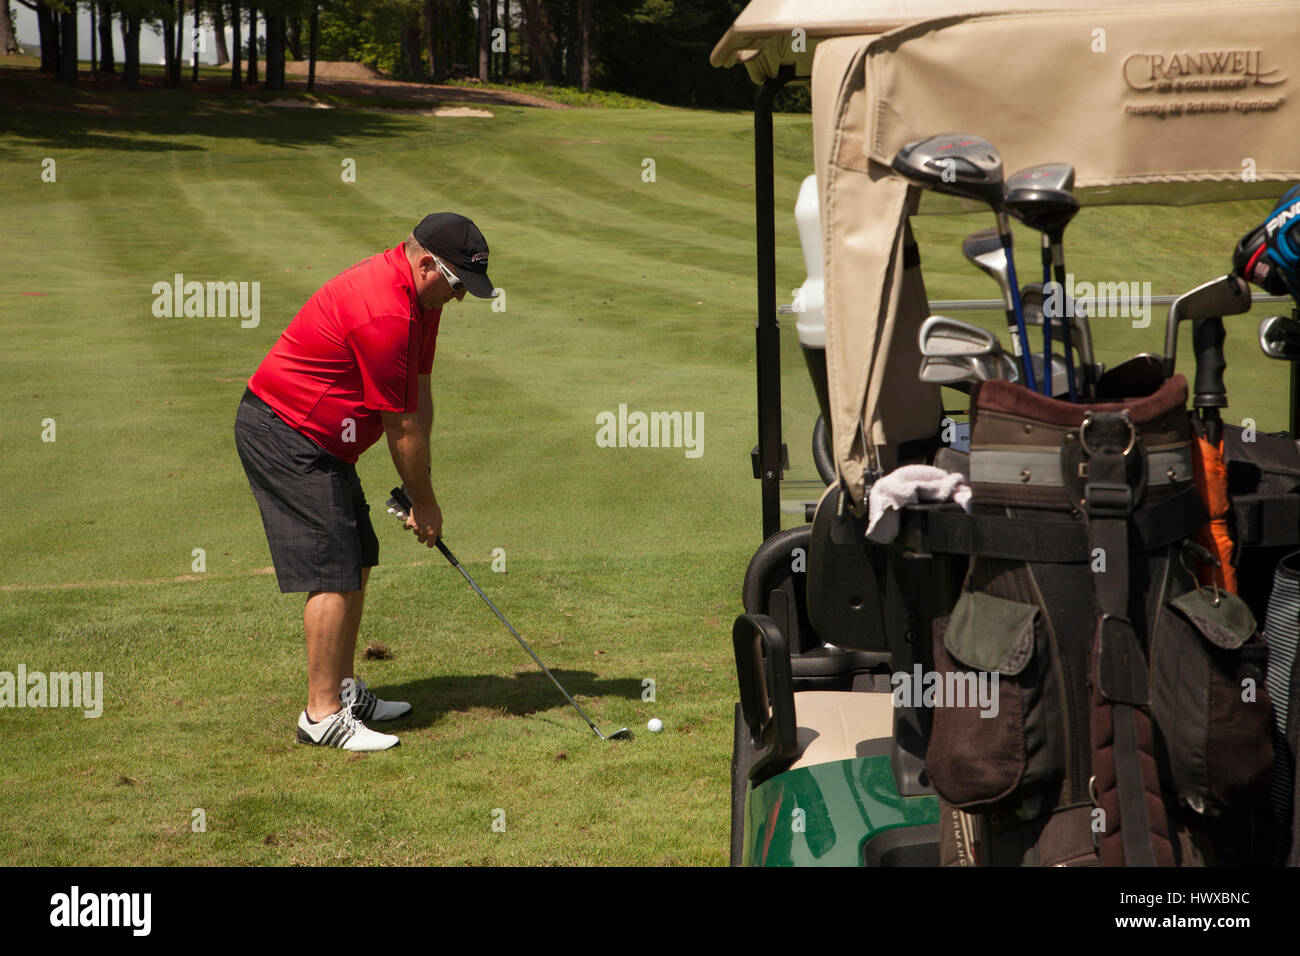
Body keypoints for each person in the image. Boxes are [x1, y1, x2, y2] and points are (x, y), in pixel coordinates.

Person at [234, 213, 494, 751]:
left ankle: (344, 690)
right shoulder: (385, 311)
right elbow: (398, 426)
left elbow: (418, 393)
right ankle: (321, 714)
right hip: (286, 431)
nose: (460, 298)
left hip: (323, 442)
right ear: (425, 264)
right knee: (333, 565)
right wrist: (425, 502)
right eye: (456, 284)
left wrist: (424, 484)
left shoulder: (422, 301)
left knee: (358, 554)